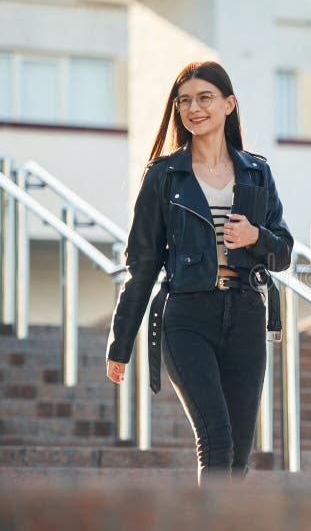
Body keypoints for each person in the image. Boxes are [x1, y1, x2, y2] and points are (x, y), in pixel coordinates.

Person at [105, 61, 293, 484]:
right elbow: (143, 265)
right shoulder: (164, 175)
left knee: (239, 456)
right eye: (184, 100)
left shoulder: (256, 172)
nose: (194, 108)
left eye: (205, 98)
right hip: (187, 316)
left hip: (246, 313)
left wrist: (256, 237)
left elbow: (283, 252)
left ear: (229, 104)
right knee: (217, 441)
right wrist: (120, 343)